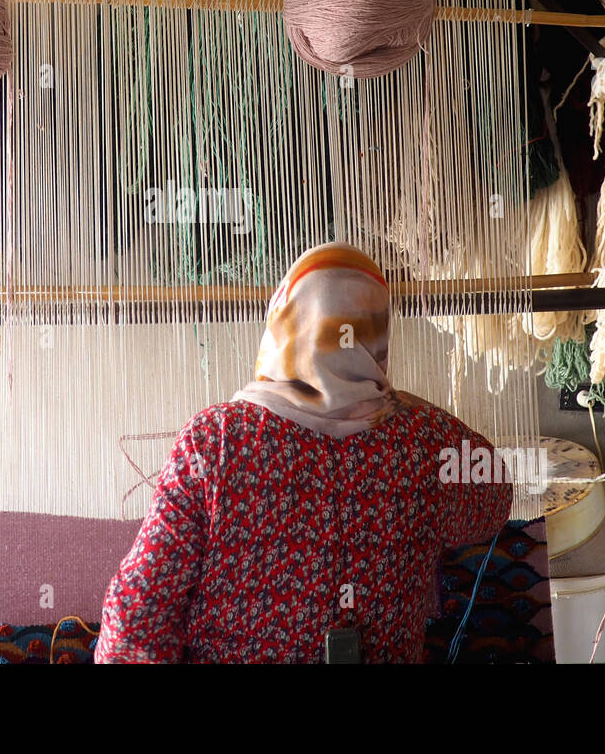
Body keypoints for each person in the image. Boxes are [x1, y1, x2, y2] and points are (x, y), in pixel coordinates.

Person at [96, 241, 512, 663]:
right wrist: (406, 408)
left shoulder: (216, 440)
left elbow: (137, 615)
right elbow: (493, 500)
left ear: (284, 320)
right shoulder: (423, 444)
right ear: (379, 332)